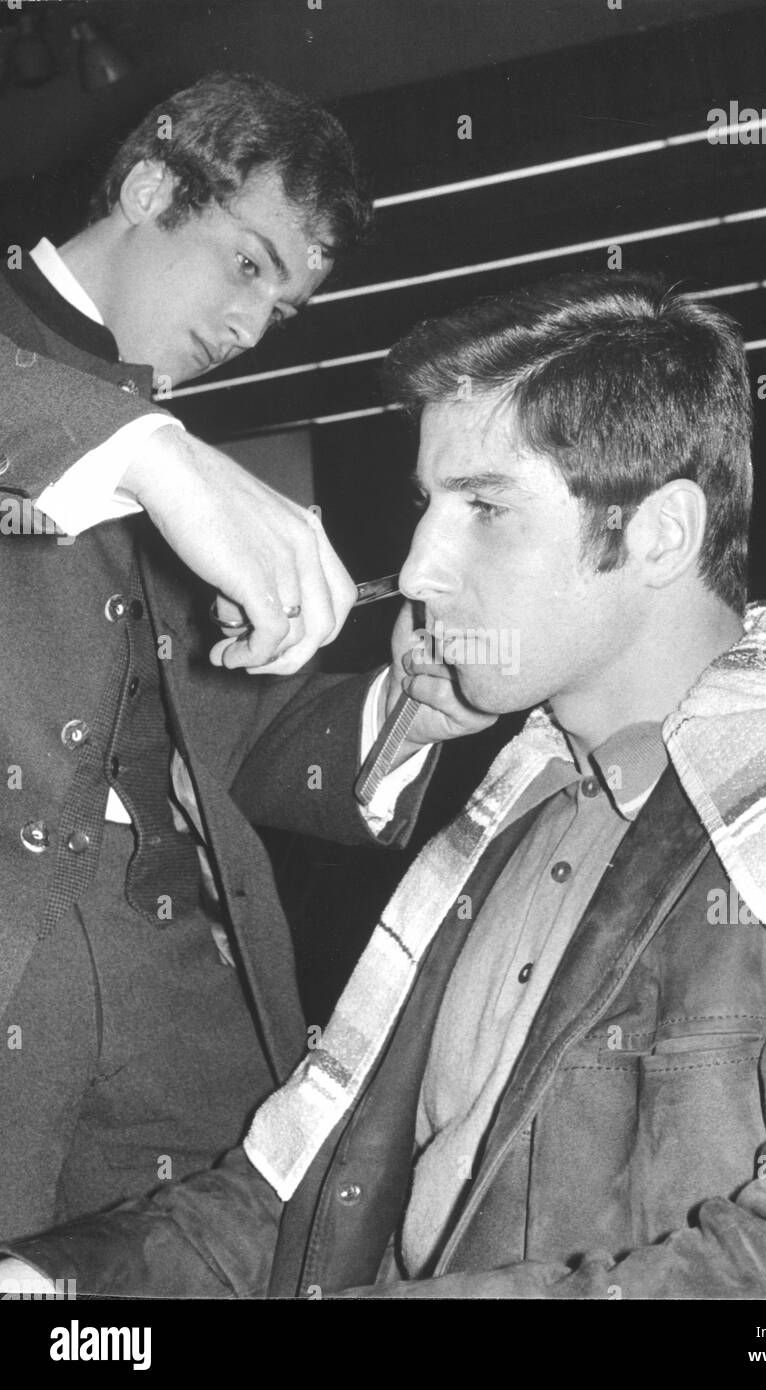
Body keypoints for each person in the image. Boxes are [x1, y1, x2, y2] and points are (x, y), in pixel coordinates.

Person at [1, 271, 766, 1299]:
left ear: (661, 533)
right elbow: (302, 1199)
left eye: (485, 506)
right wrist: (52, 1284)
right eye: (427, 504)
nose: (420, 566)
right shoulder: (510, 814)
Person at [0, 72, 487, 1242]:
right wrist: (152, 452)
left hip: (188, 984)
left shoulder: (162, 453)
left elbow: (220, 732)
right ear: (151, 184)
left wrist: (396, 714)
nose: (250, 329)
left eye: (283, 307)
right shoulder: (132, 444)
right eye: (249, 266)